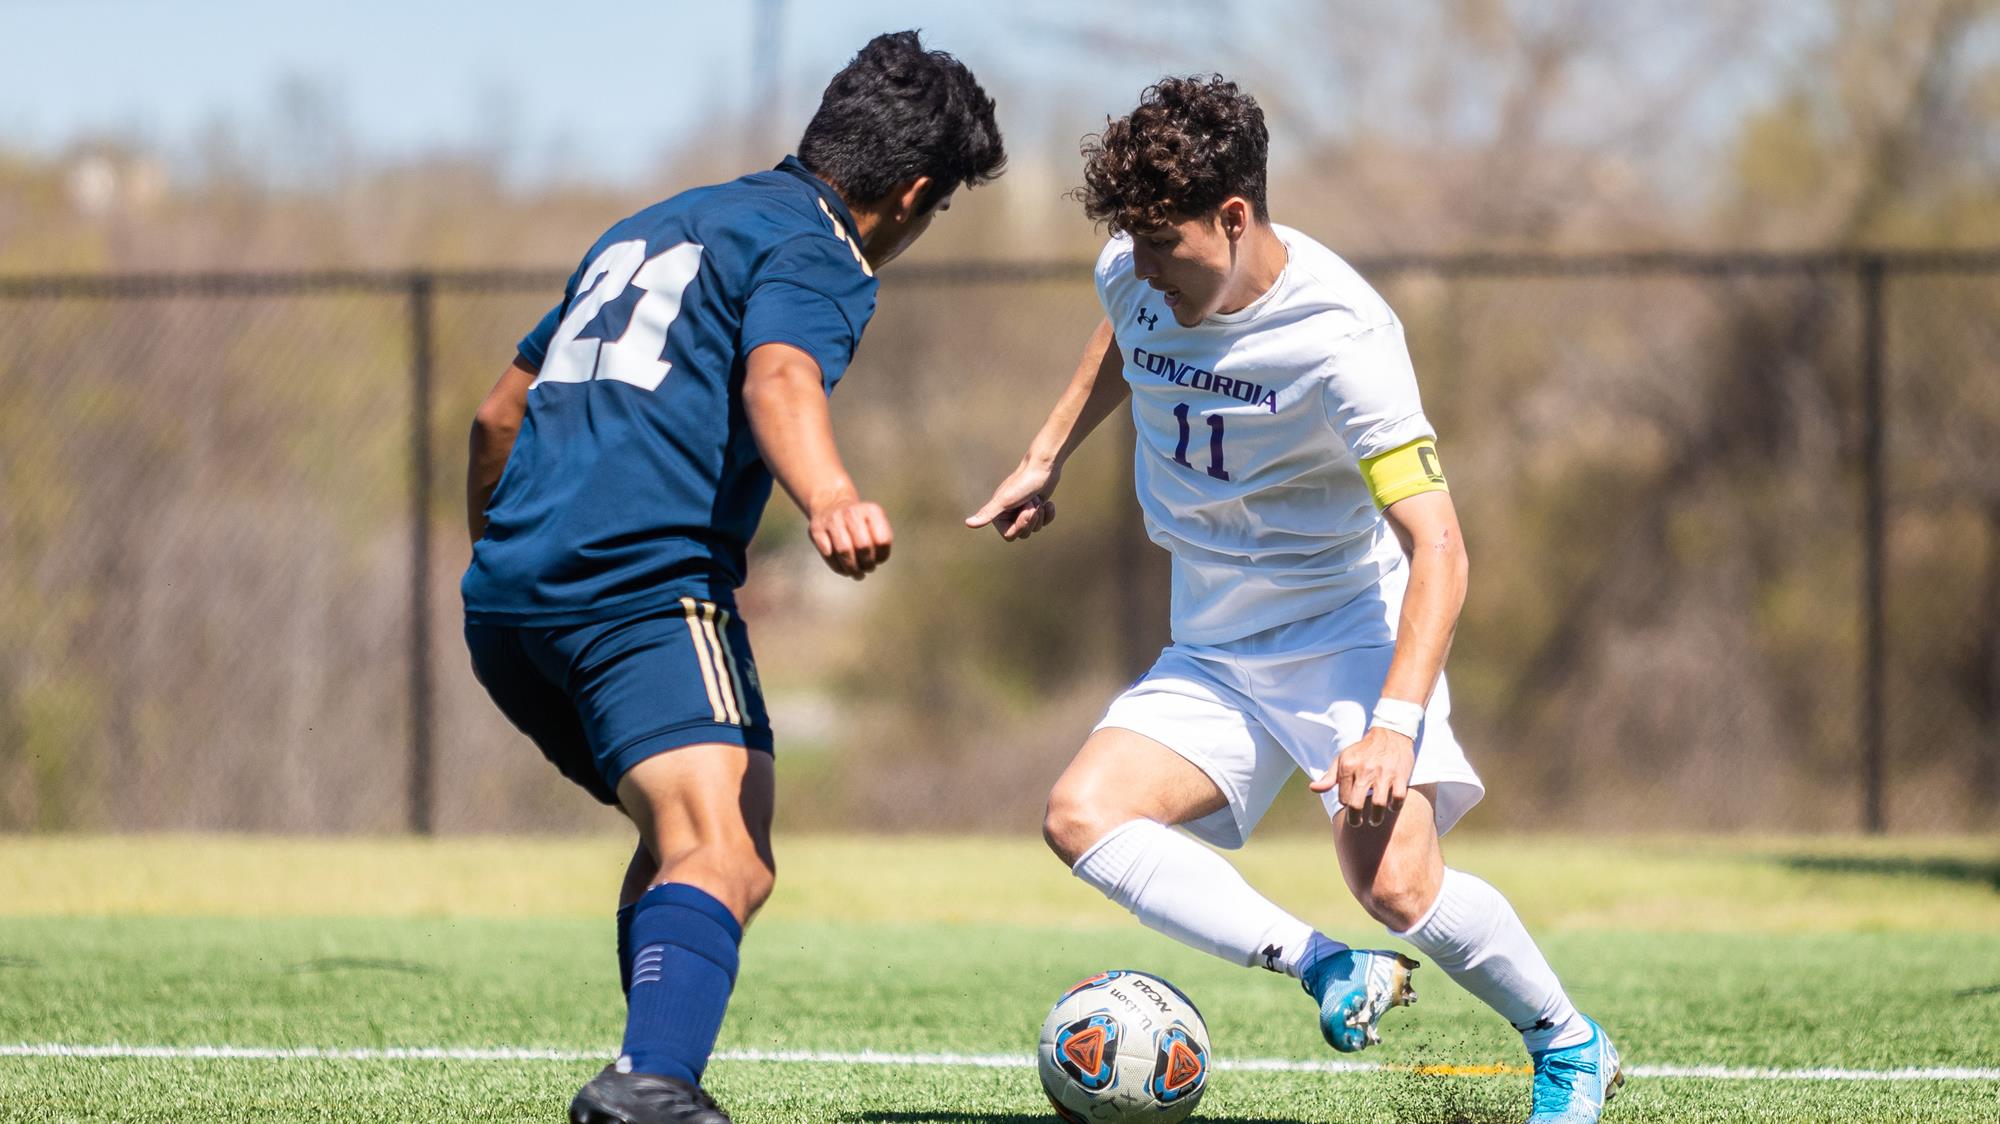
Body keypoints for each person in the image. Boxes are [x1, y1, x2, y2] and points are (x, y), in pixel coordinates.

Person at [967, 76, 1620, 1124]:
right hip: (1214, 640)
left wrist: (1392, 725)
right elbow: (1122, 337)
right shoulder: (1137, 269)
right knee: (1080, 814)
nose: (1138, 270)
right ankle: (1324, 967)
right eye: (1128, 248)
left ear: (1233, 217)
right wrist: (1044, 454)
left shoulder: (1344, 336)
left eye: (1161, 247)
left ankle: (1567, 1041)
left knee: (1396, 886)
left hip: (1344, 634)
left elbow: (1438, 547)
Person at [462, 32, 1003, 1124]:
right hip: (640, 593)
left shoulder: (653, 223)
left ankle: (643, 1068)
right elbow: (780, 372)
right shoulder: (819, 247)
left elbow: (495, 414)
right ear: (909, 192)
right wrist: (830, 492)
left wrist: (501, 553)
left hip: (505, 606)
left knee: (683, 839)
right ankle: (650, 1083)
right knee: (728, 848)